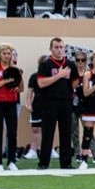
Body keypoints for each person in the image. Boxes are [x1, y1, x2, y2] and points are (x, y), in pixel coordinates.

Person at [32, 38, 77, 170]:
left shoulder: (70, 64)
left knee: (66, 133)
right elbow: (41, 83)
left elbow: (74, 84)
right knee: (47, 133)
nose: (59, 49)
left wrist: (78, 76)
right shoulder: (45, 64)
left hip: (66, 101)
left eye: (61, 47)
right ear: (51, 49)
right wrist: (60, 75)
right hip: (49, 102)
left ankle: (66, 162)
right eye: (56, 47)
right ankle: (43, 162)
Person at [0, 45, 24, 170]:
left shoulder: (15, 69)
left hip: (11, 103)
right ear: (0, 54)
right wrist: (4, 81)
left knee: (12, 132)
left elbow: (21, 88)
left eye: (9, 53)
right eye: (4, 53)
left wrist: (14, 88)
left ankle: (11, 161)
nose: (7, 56)